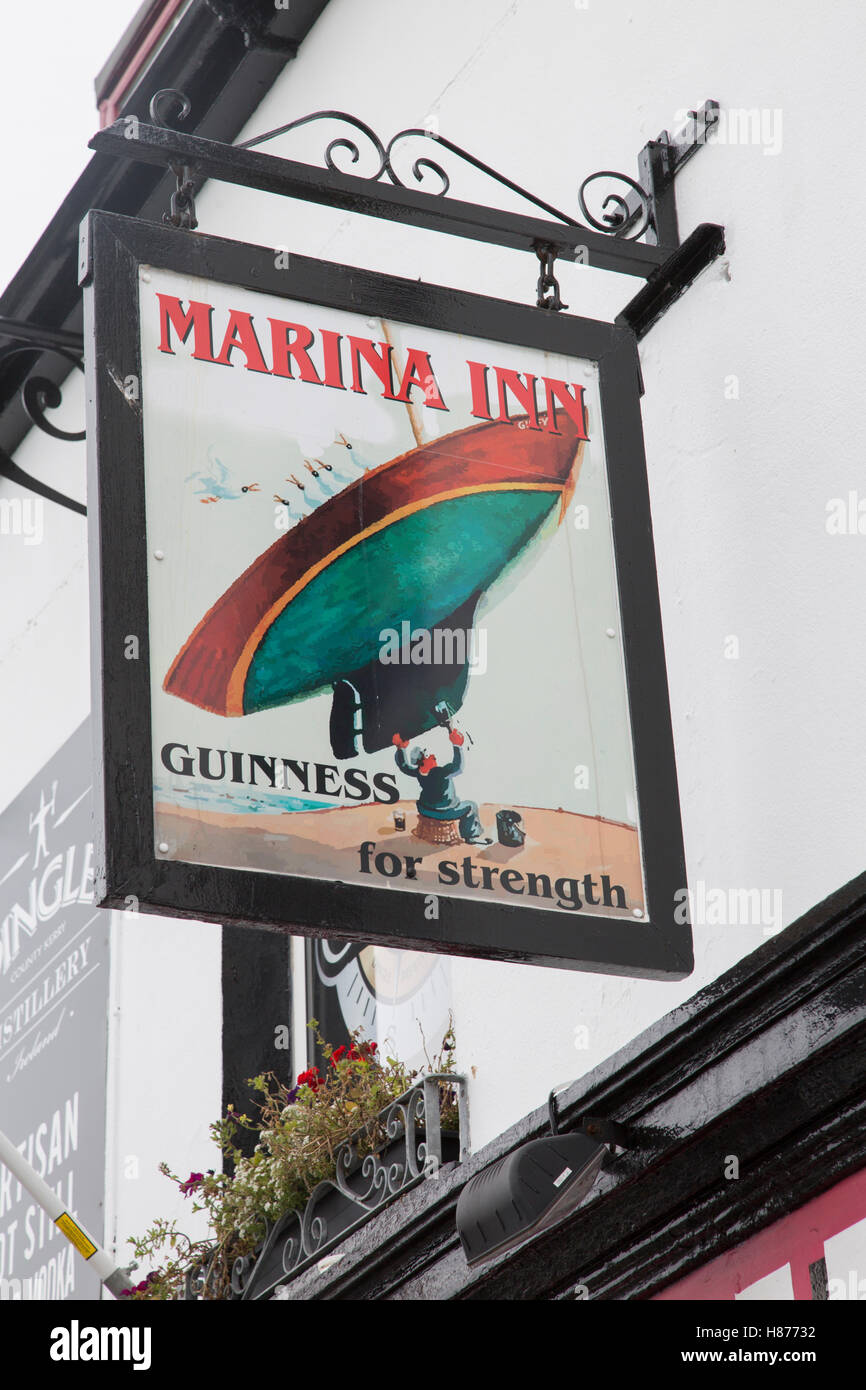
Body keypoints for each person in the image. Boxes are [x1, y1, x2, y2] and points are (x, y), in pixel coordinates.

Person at [392, 729, 491, 845]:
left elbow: (403, 766)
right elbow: (458, 767)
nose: (433, 756)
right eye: (429, 756)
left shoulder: (418, 772)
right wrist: (457, 745)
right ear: (423, 761)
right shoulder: (441, 772)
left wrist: (400, 748)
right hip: (445, 812)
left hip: (424, 809)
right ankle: (471, 837)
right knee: (471, 806)